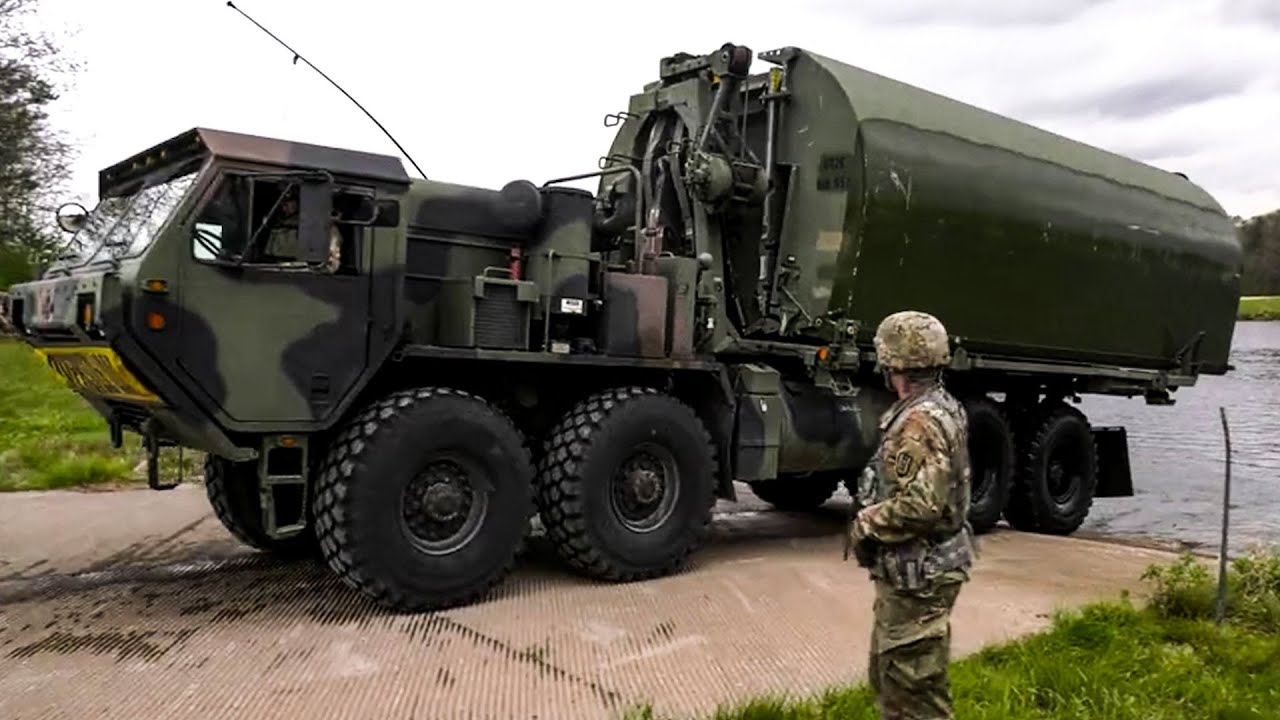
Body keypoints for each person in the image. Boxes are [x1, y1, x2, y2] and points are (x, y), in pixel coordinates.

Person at [846, 310, 976, 720]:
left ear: (893, 365)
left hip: (920, 576)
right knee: (894, 682)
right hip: (920, 573)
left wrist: (866, 523)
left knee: (915, 697)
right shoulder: (942, 407)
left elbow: (920, 506)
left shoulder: (919, 422)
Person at [263, 189, 342, 273]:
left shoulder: (322, 227)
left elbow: (331, 265)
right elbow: (270, 255)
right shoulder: (279, 225)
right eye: (282, 204)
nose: (284, 208)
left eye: (287, 204)